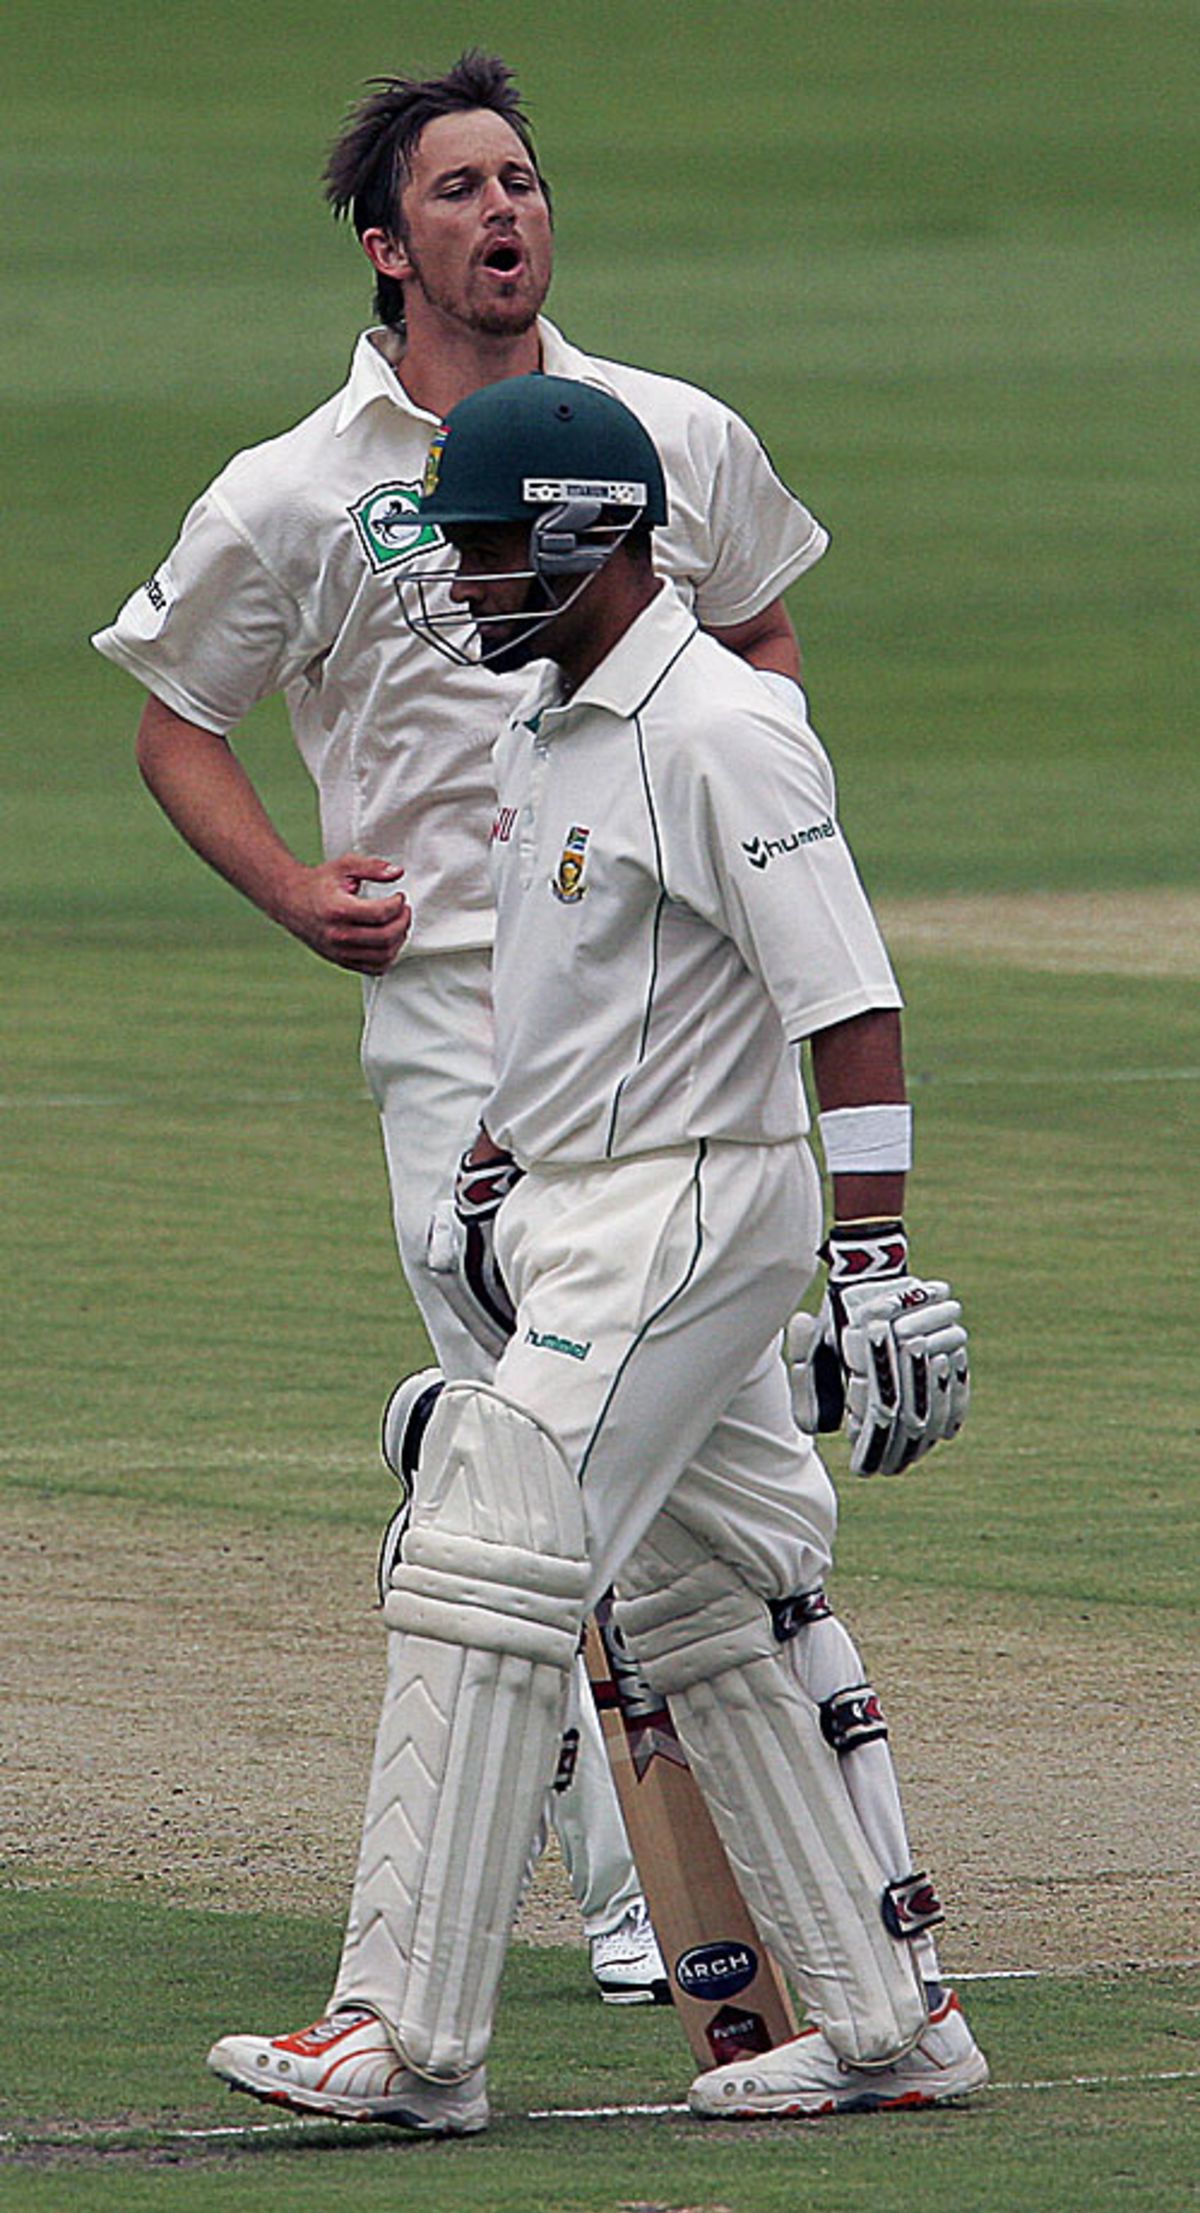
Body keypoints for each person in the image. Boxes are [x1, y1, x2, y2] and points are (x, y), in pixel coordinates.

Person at [90, 53, 829, 2008]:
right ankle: (632, 1896)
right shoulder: (300, 488)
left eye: (524, 180)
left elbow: (759, 635)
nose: (506, 214)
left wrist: (763, 842)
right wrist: (294, 888)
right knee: (538, 1447)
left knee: (700, 1451)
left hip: (677, 1017)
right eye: (460, 190)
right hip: (457, 1027)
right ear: (386, 242)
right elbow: (182, 719)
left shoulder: (661, 430)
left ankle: (764, 1885)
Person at [204, 375, 986, 2133]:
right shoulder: (542, 722)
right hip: (587, 1196)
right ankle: (885, 2021)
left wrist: (877, 1263)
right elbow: (573, 992)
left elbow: (846, 1003)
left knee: (488, 1541)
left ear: (585, 533)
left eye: (489, 550)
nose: (464, 586)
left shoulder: (723, 727)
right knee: (702, 1599)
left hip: (695, 1199)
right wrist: (497, 1159)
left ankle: (406, 2038)